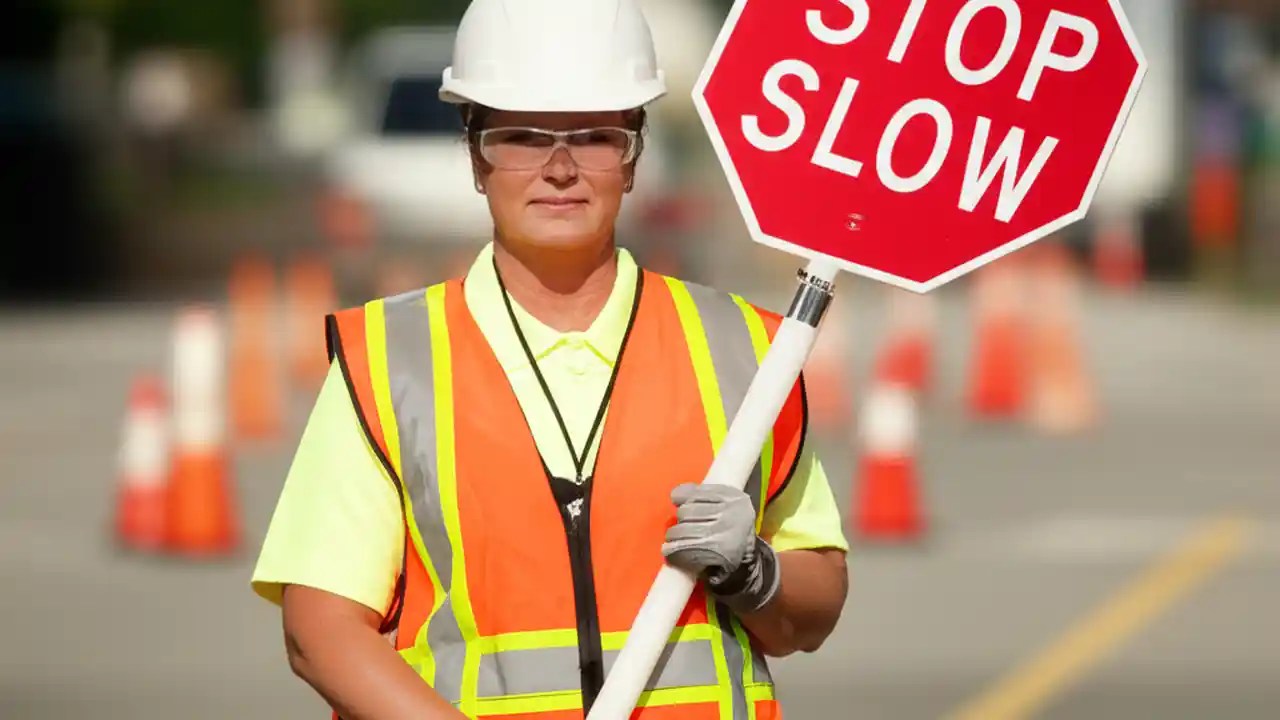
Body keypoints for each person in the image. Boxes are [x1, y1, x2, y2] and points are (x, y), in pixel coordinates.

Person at [250, 0, 850, 718]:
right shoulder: (390, 362)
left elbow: (814, 608)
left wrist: (757, 573)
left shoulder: (745, 348)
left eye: (595, 136)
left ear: (634, 154)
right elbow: (320, 631)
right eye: (521, 137)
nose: (559, 168)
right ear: (475, 156)